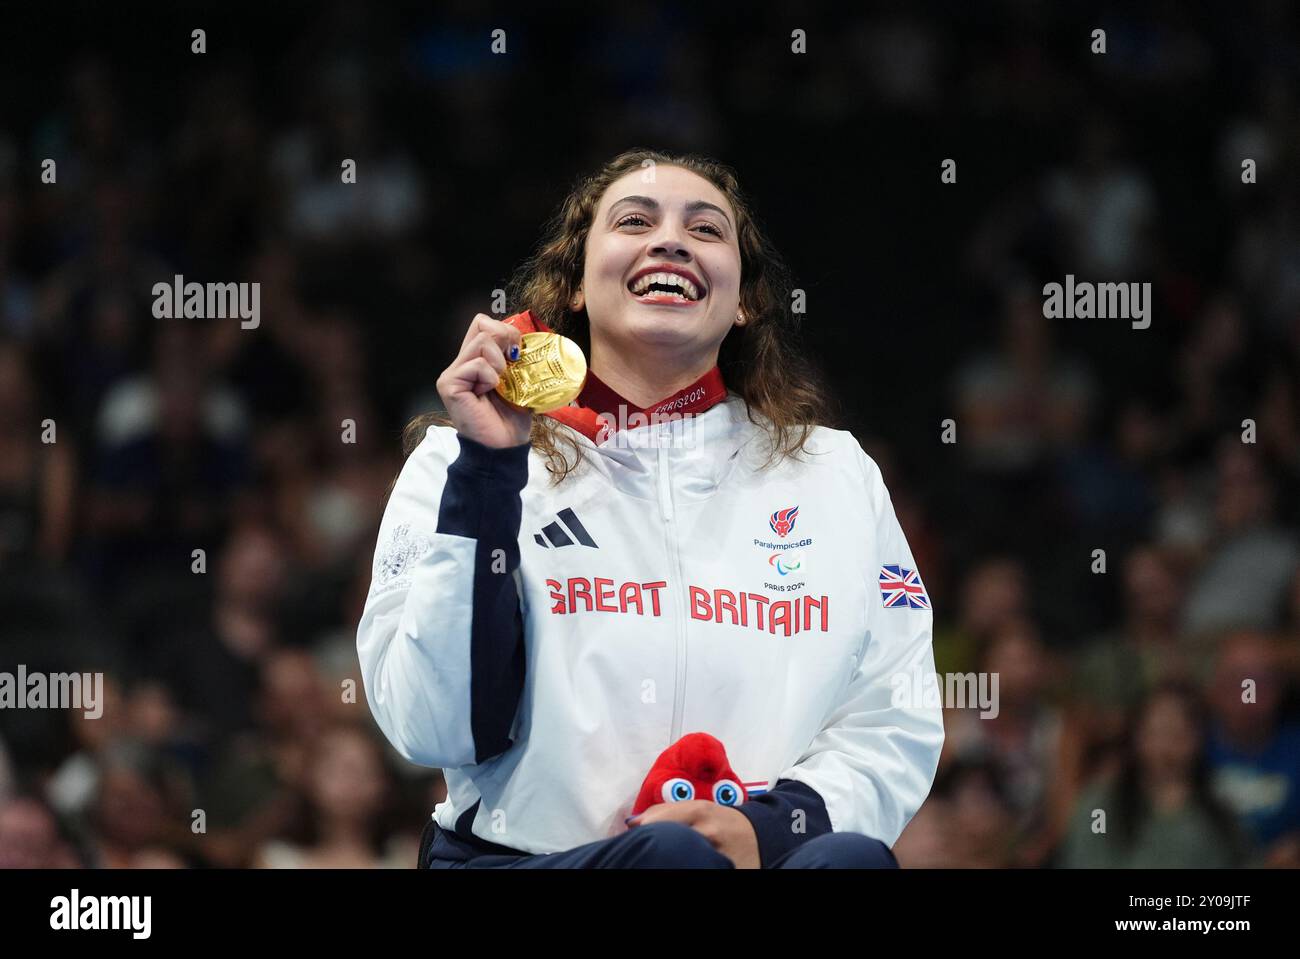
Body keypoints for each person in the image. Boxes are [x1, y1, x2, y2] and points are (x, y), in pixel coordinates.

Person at [356, 149, 945, 868]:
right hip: (524, 860)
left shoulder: (835, 474)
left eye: (705, 229)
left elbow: (892, 709)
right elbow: (432, 725)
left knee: (849, 862)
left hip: (750, 855)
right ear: (573, 285)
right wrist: (490, 470)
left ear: (745, 300)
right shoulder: (462, 462)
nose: (669, 240)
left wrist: (775, 827)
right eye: (635, 221)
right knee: (671, 859)